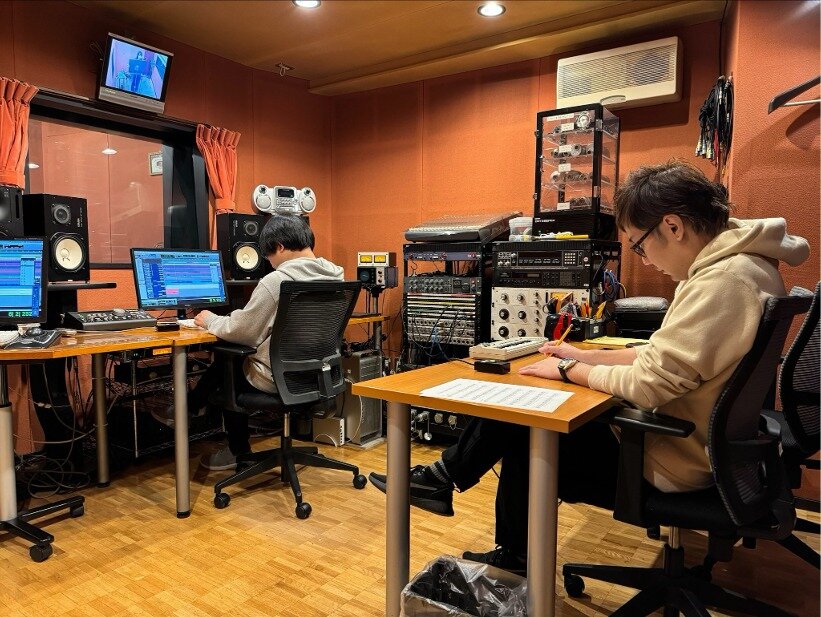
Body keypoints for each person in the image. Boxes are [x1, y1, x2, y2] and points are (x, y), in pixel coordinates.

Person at [369, 160, 810, 575]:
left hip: (672, 457)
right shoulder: (744, 264)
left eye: (640, 245)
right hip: (701, 444)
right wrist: (585, 356)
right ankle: (455, 489)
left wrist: (566, 373)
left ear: (672, 226)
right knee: (529, 414)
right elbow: (662, 355)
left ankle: (475, 514)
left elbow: (649, 385)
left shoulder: (722, 282)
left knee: (529, 428)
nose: (644, 260)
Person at [151, 214, 344, 471]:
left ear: (279, 246)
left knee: (227, 364)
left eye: (269, 256)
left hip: (279, 379)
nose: (270, 263)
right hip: (318, 376)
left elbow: (243, 332)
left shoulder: (276, 281)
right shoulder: (336, 277)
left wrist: (209, 319)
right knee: (232, 363)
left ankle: (234, 448)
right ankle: (189, 409)